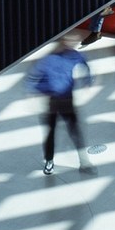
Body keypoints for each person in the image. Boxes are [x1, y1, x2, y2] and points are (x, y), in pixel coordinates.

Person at [28, 29, 94, 174]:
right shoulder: (49, 59)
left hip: (67, 100)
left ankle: (84, 161)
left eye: (73, 42)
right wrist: (35, 95)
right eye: (69, 41)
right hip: (52, 102)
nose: (72, 44)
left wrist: (88, 81)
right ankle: (49, 161)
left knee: (75, 130)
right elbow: (33, 78)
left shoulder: (74, 56)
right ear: (62, 42)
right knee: (51, 132)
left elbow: (85, 66)